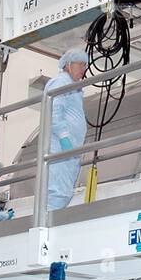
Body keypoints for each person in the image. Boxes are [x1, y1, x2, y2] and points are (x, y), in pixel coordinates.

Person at [45, 47, 90, 211]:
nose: (84, 69)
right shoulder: (62, 82)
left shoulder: (73, 86)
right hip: (60, 147)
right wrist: (64, 137)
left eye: (86, 66)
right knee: (57, 191)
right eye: (81, 65)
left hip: (70, 150)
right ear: (69, 64)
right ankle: (45, 225)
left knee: (64, 191)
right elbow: (54, 111)